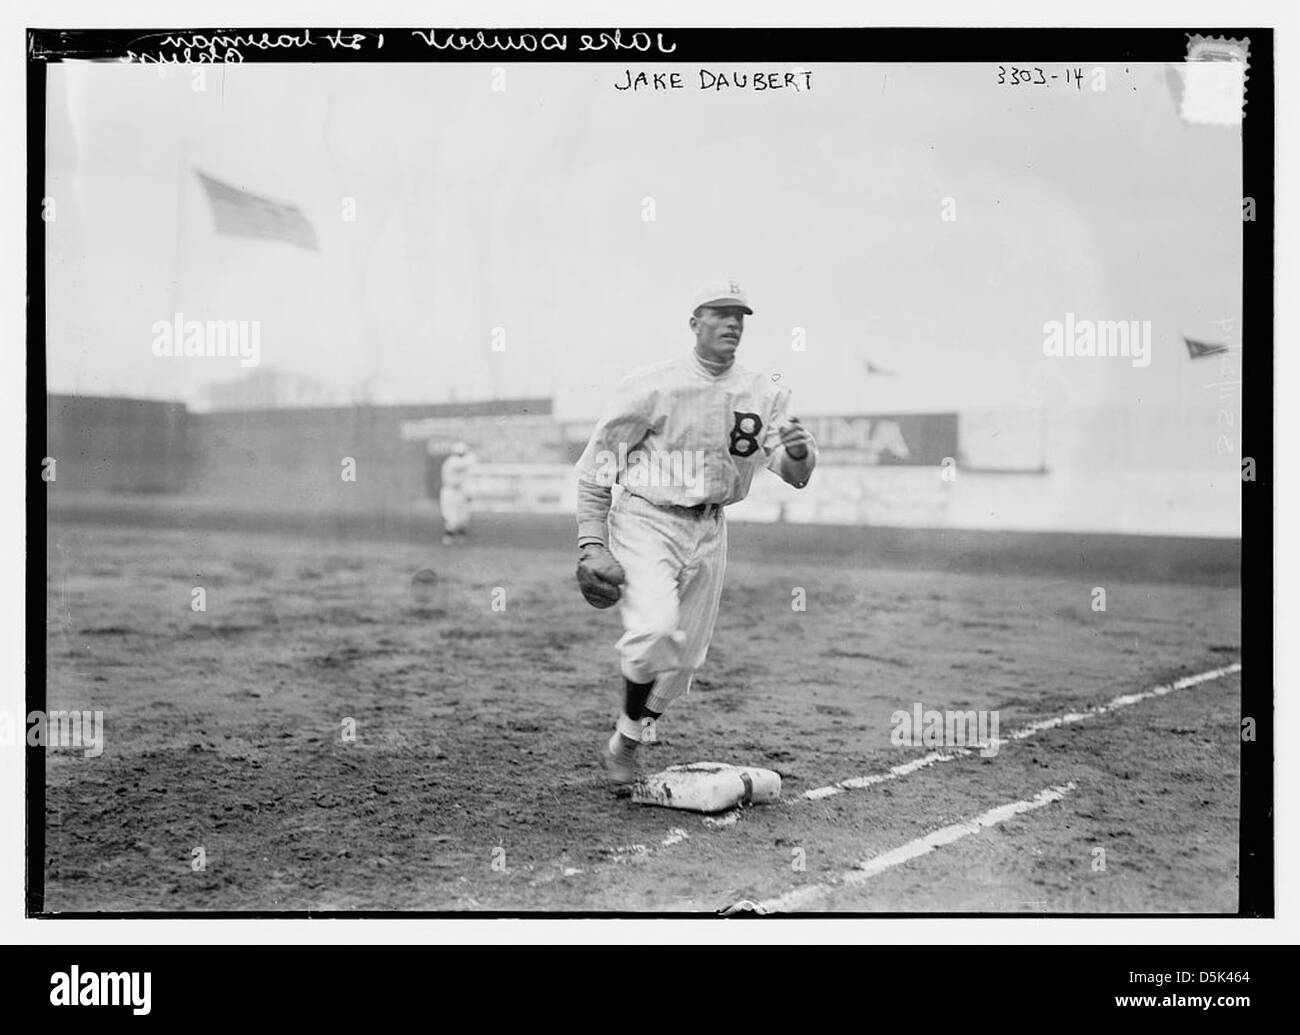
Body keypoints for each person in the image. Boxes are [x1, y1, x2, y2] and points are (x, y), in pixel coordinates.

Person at [574, 280, 818, 786]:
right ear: (694, 323)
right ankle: (628, 743)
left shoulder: (762, 391)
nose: (733, 324)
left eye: (740, 316)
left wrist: (799, 452)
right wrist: (592, 542)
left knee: (685, 660)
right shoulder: (650, 385)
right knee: (656, 630)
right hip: (648, 518)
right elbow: (598, 466)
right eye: (720, 313)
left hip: (711, 526)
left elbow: (795, 474)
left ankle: (629, 737)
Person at [439, 441, 476, 545]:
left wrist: (468, 493)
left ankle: (460, 536)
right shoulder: (451, 462)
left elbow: (465, 479)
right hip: (449, 491)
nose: (461, 456)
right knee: (451, 517)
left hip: (460, 491)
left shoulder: (464, 463)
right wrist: (471, 457)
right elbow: (462, 464)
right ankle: (448, 536)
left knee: (464, 516)